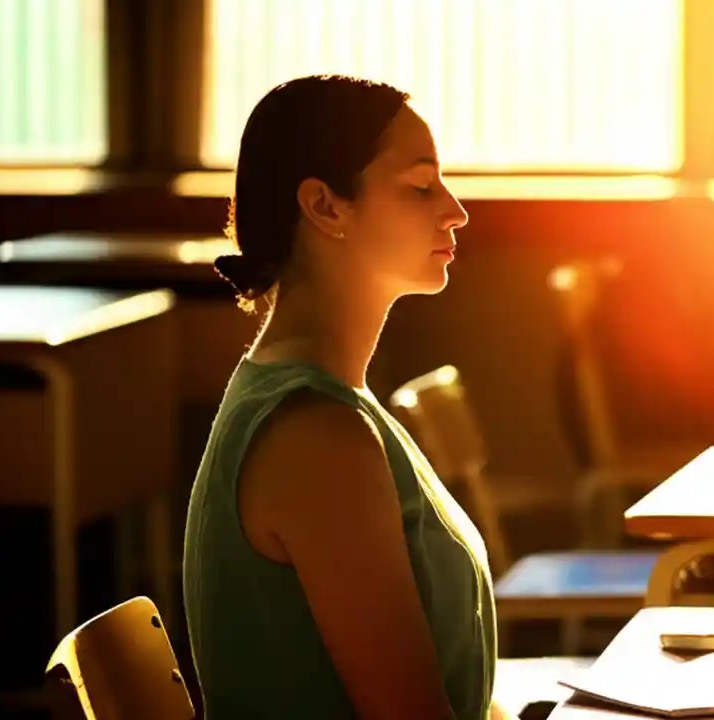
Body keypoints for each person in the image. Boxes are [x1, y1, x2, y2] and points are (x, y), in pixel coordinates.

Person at [184, 74, 504, 719]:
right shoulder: (316, 434)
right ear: (326, 207)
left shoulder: (335, 403)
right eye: (420, 186)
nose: (455, 209)